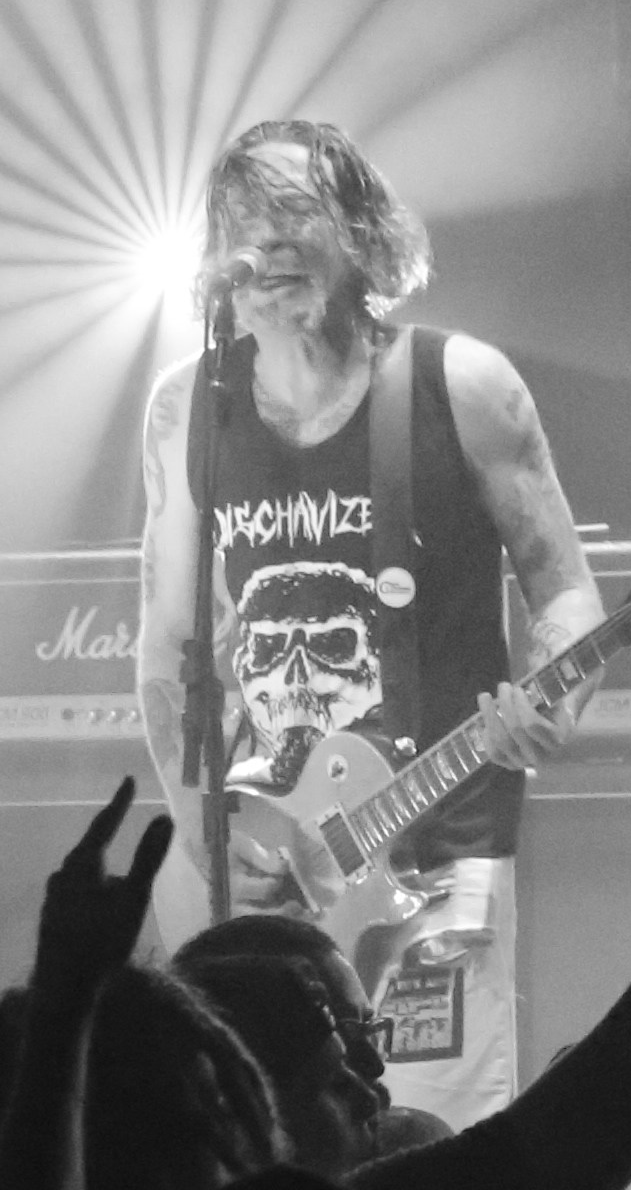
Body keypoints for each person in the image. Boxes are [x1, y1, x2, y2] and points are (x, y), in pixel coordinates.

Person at [132, 118, 600, 1130]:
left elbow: (564, 586)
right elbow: (168, 645)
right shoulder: (189, 411)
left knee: (421, 1147)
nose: (270, 240)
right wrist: (197, 825)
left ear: (362, 233)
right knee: (250, 1147)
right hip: (260, 858)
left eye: (297, 210)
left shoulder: (459, 387)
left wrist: (555, 691)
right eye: (244, 221)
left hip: (430, 854)